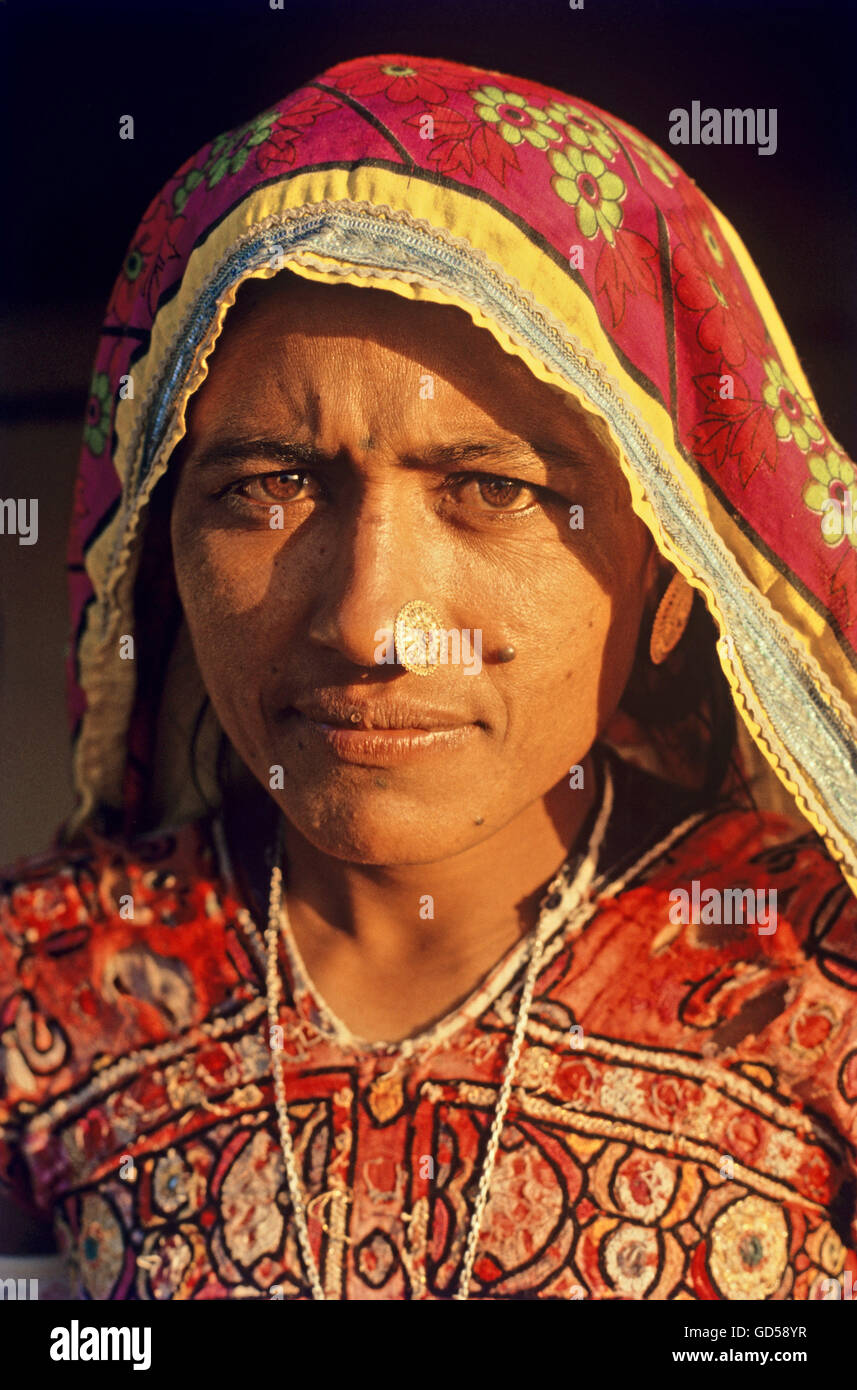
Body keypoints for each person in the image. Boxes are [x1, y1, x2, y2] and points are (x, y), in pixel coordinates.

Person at [1, 52, 856, 1302]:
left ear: (677, 574)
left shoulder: (818, 989)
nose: (367, 624)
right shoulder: (41, 979)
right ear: (160, 544)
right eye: (266, 487)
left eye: (495, 490)